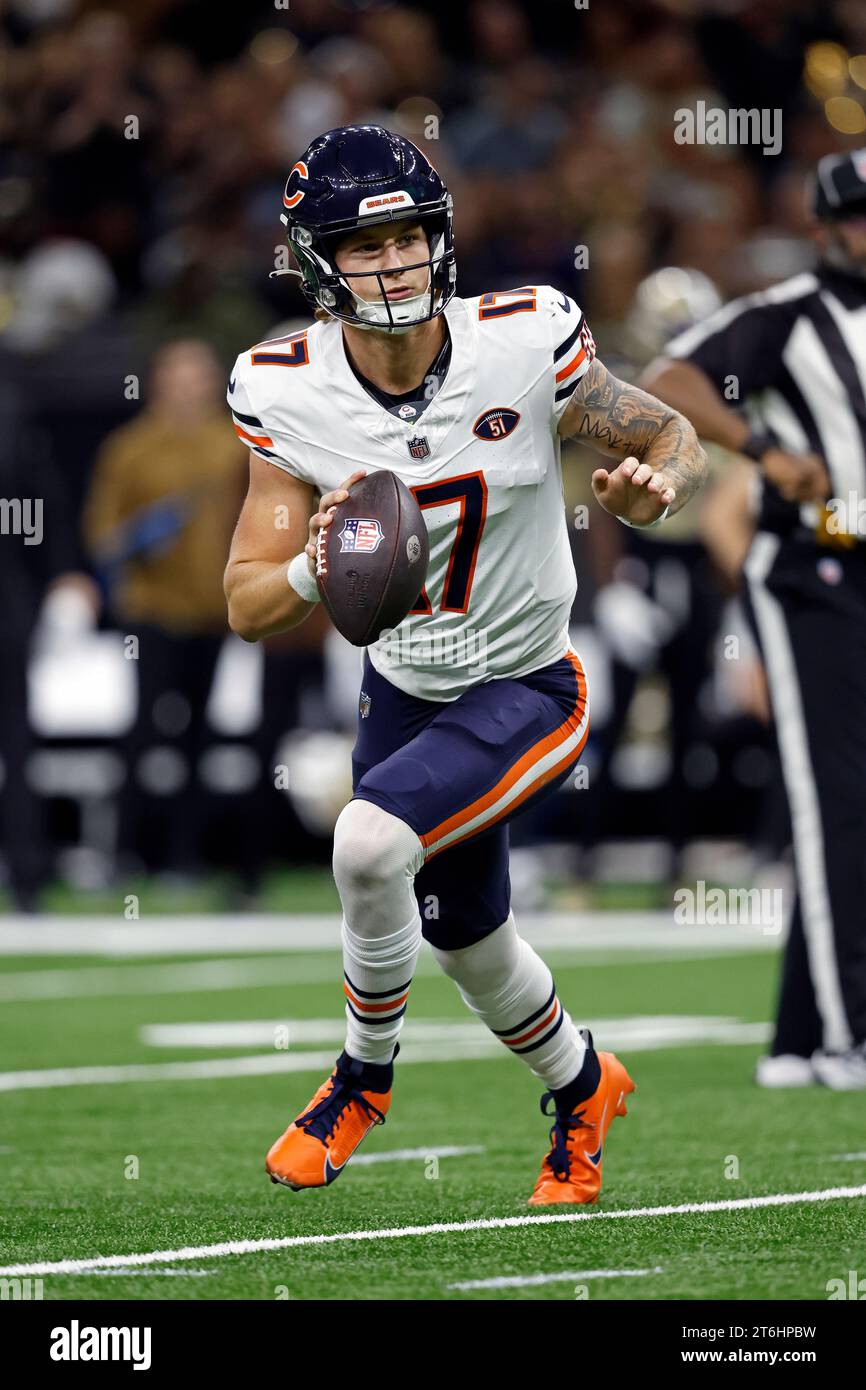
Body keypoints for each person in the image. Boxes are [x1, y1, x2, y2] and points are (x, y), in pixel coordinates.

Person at [224, 125, 706, 1203]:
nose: (392, 263)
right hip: (403, 688)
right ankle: (585, 1083)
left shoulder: (523, 338)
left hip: (527, 682)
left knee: (365, 840)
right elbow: (246, 604)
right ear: (313, 262)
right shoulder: (281, 388)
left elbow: (674, 433)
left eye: (407, 237)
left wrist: (656, 483)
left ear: (439, 241)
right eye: (362, 243)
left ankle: (360, 1077)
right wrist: (311, 565)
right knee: (468, 938)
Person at [644, 148, 866, 1091]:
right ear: (826, 228)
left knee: (851, 800)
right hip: (815, 565)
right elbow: (672, 378)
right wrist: (768, 448)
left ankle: (799, 1037)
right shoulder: (787, 316)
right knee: (838, 799)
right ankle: (850, 1031)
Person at [84, 338, 245, 877]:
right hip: (151, 614)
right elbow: (102, 534)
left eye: (196, 375)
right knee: (143, 732)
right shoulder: (130, 449)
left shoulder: (232, 446)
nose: (187, 386)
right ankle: (123, 853)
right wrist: (134, 541)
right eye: (177, 374)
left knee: (199, 734)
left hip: (210, 611)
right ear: (158, 382)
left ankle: (186, 857)